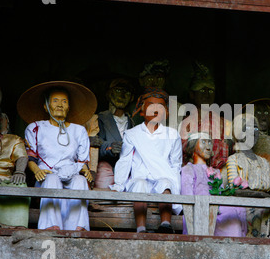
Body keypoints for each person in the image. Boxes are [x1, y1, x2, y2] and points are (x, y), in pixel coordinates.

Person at [18, 81, 96, 231]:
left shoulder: (78, 130)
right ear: (46, 106)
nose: (60, 105)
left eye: (64, 101)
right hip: (46, 176)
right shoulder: (35, 128)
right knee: (52, 179)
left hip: (71, 172)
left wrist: (85, 170)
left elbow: (82, 160)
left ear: (69, 107)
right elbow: (31, 157)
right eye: (55, 100)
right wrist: (36, 171)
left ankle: (78, 228)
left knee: (80, 181)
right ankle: (52, 226)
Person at [111, 87, 182, 233]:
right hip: (140, 177)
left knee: (166, 184)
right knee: (139, 185)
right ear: (142, 111)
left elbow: (176, 165)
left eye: (160, 106)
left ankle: (166, 225)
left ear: (166, 112)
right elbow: (125, 160)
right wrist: (119, 184)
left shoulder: (173, 134)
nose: (156, 110)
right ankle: (141, 228)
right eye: (151, 106)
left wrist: (176, 188)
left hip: (163, 177)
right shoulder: (132, 134)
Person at [181, 132, 247, 237]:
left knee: (236, 210)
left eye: (210, 143)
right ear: (193, 146)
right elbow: (187, 197)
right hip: (200, 211)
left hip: (216, 210)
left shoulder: (216, 172)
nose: (208, 147)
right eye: (203, 142)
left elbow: (219, 195)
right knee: (230, 212)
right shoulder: (189, 169)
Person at [179, 61, 233, 170]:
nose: (207, 94)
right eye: (202, 90)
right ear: (192, 94)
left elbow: (230, 153)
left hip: (219, 175)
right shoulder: (185, 123)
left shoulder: (224, 123)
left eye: (211, 90)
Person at [0, 102, 30, 228]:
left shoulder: (13, 139)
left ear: (1, 119)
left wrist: (19, 171)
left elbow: (22, 156)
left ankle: (16, 225)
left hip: (7, 178)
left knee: (21, 185)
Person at [90, 78, 136, 188]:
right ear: (109, 94)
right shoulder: (100, 119)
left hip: (128, 168)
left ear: (132, 98)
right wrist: (110, 147)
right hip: (107, 166)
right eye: (118, 91)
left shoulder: (133, 123)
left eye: (127, 92)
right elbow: (96, 146)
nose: (122, 95)